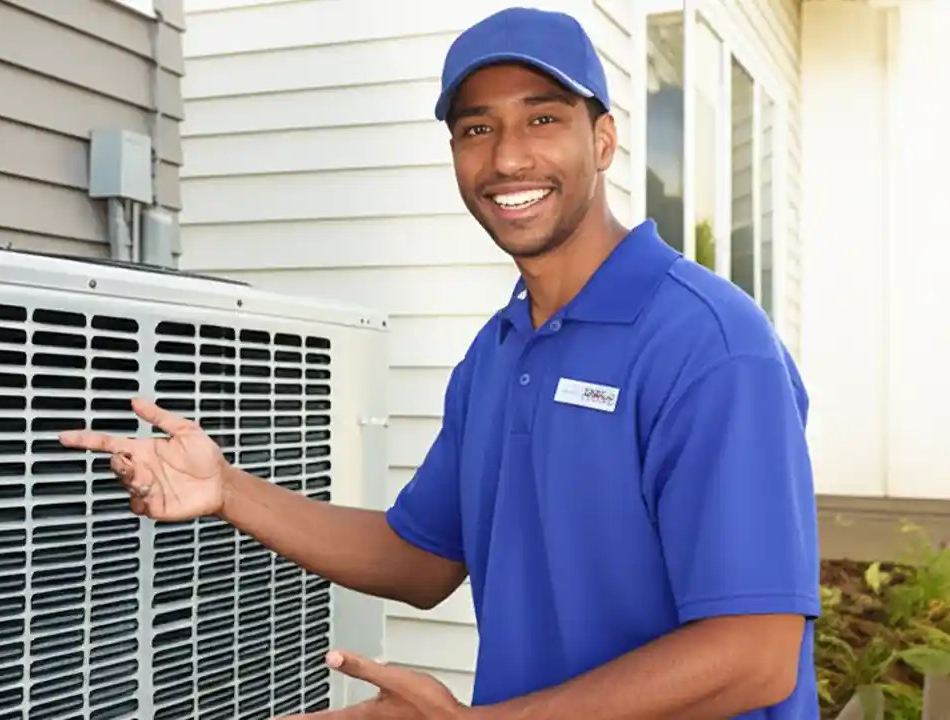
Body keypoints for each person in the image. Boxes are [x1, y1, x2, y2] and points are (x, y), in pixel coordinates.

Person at [61, 6, 820, 719]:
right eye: (476, 128)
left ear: (604, 140)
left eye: (543, 118)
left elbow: (753, 655)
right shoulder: (499, 352)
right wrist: (226, 489)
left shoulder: (711, 345)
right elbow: (421, 558)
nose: (508, 156)